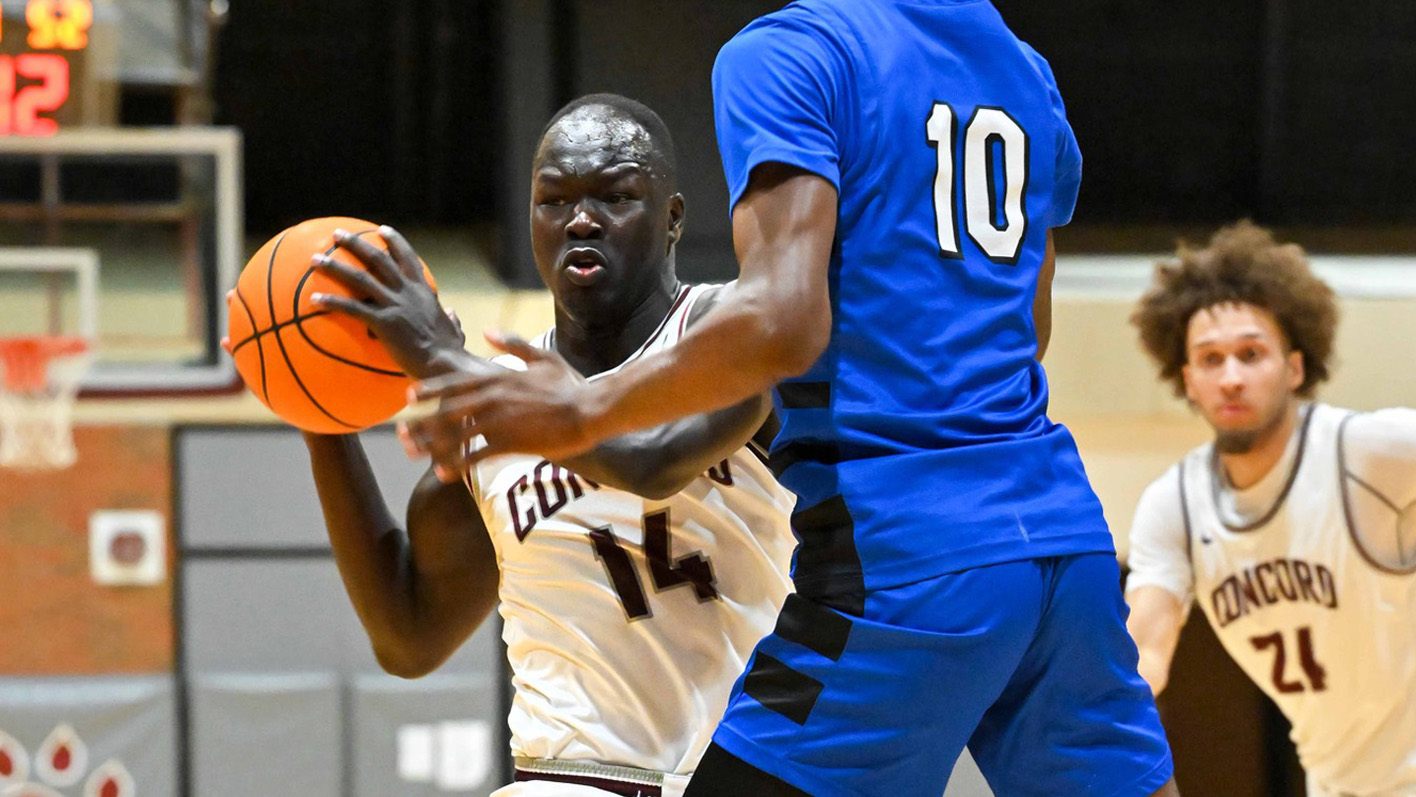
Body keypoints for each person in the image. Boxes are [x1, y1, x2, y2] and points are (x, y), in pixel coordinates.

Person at [398, 4, 1178, 796]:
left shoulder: (794, 49)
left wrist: (576, 411)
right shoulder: (1022, 71)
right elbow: (1029, 327)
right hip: (1061, 541)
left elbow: (781, 321)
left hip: (900, 559)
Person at [244, 94, 798, 797]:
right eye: (553, 200)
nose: (582, 219)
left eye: (617, 196)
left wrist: (451, 367)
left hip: (737, 771)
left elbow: (656, 463)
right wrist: (318, 406)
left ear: (674, 218)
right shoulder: (492, 402)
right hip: (571, 776)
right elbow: (408, 635)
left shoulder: (724, 330)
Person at [1125, 221, 1416, 797]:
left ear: (1295, 367)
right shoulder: (1175, 507)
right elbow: (1144, 657)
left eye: (1251, 354)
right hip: (1337, 785)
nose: (1231, 377)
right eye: (1211, 360)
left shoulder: (1369, 452)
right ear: (1187, 380)